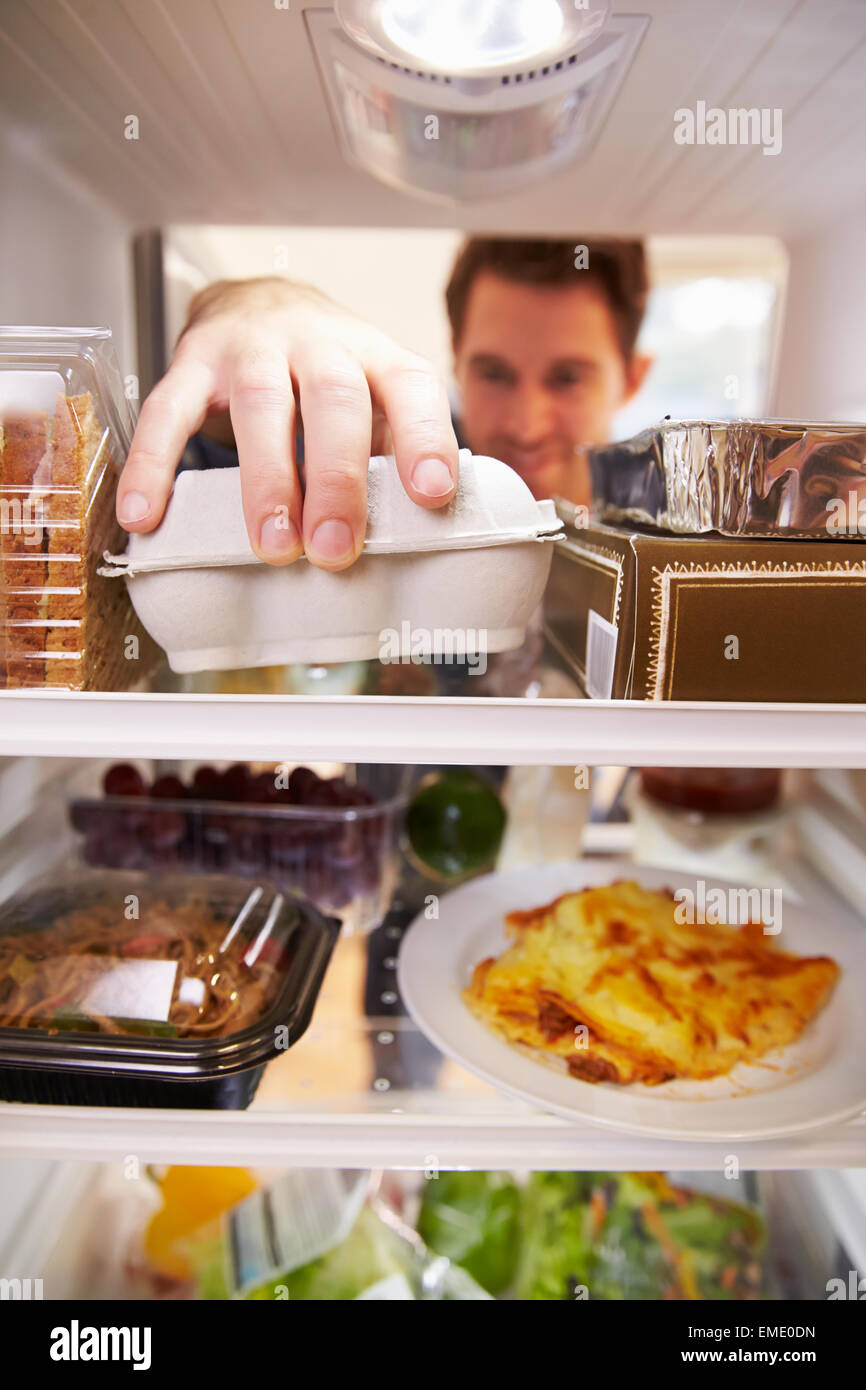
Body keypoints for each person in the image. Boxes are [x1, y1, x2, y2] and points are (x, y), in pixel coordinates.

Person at [116, 237, 652, 565]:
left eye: (566, 379)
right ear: (456, 359)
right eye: (494, 374)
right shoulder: (399, 466)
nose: (527, 424)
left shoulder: (677, 540)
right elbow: (226, 454)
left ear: (632, 378)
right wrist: (257, 306)